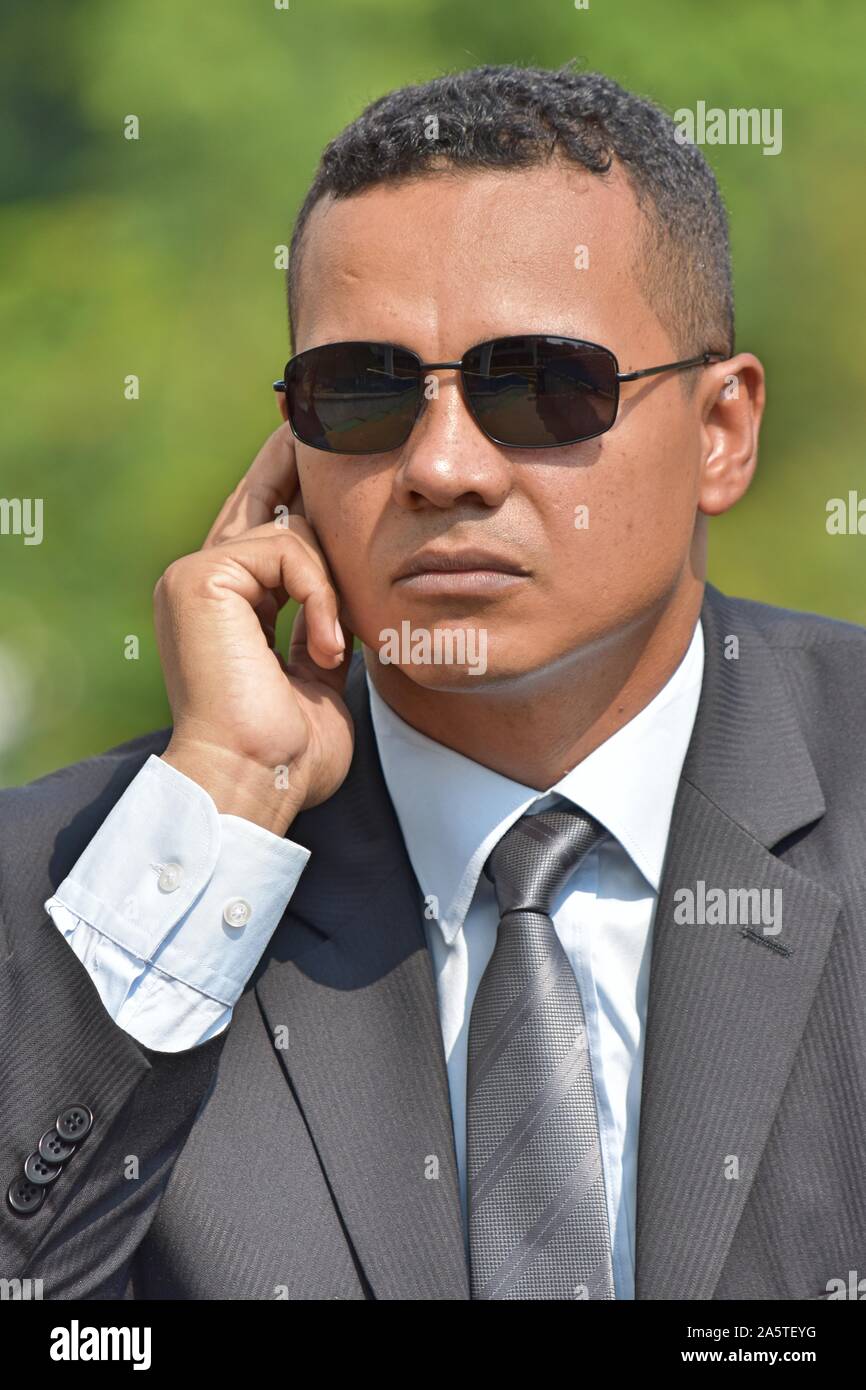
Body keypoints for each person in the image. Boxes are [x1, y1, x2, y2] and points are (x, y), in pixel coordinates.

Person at [2, 63, 864, 1302]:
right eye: (363, 393)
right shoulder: (86, 887)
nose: (444, 465)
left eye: (540, 383)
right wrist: (228, 797)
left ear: (720, 431)